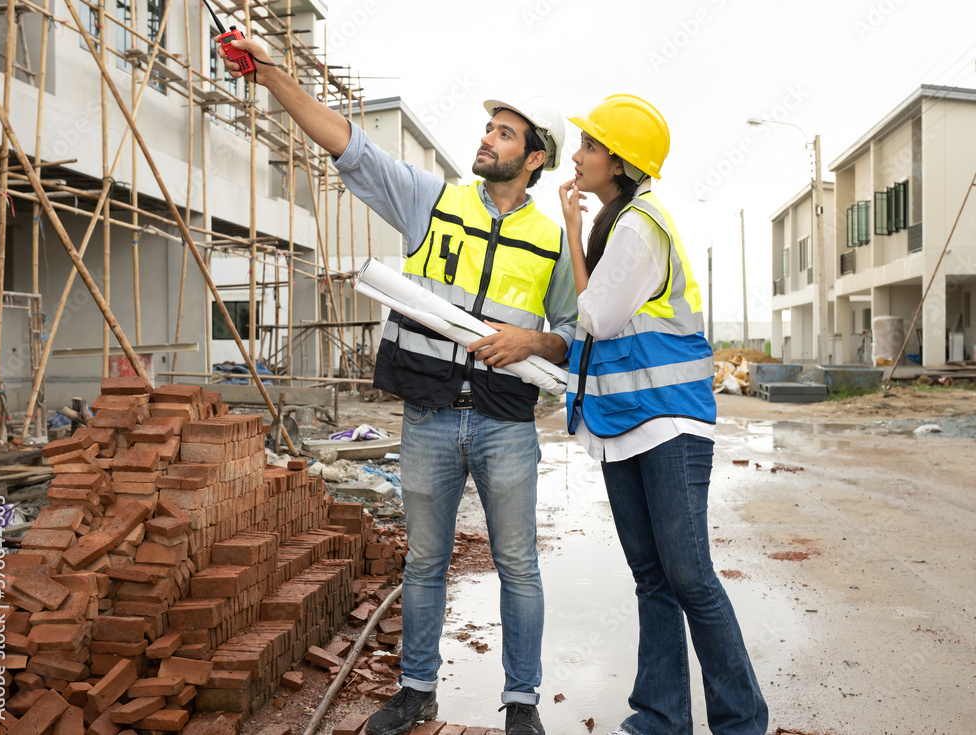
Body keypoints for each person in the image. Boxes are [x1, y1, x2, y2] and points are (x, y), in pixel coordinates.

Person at [218, 38, 577, 735]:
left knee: (519, 567)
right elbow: (347, 143)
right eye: (488, 126)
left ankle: (521, 703)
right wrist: (273, 77)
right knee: (424, 563)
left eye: (504, 133)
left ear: (534, 157)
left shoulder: (555, 240)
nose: (487, 137)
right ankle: (416, 691)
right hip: (430, 416)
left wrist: (530, 340)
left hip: (506, 423)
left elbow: (570, 330)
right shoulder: (431, 200)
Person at [558, 95, 769, 735]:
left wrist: (570, 228)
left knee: (690, 577)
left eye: (590, 146)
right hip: (624, 425)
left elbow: (596, 316)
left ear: (619, 162)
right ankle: (660, 717)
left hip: (668, 425)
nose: (578, 155)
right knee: (653, 578)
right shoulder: (623, 222)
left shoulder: (639, 224)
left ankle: (741, 721)